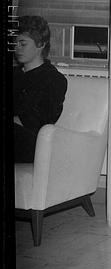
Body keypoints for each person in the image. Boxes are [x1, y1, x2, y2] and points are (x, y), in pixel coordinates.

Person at [12, 15, 68, 163]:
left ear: (40, 44)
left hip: (31, 143)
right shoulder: (13, 74)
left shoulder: (54, 79)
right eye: (15, 43)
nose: (17, 48)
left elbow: (41, 122)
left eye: (22, 43)